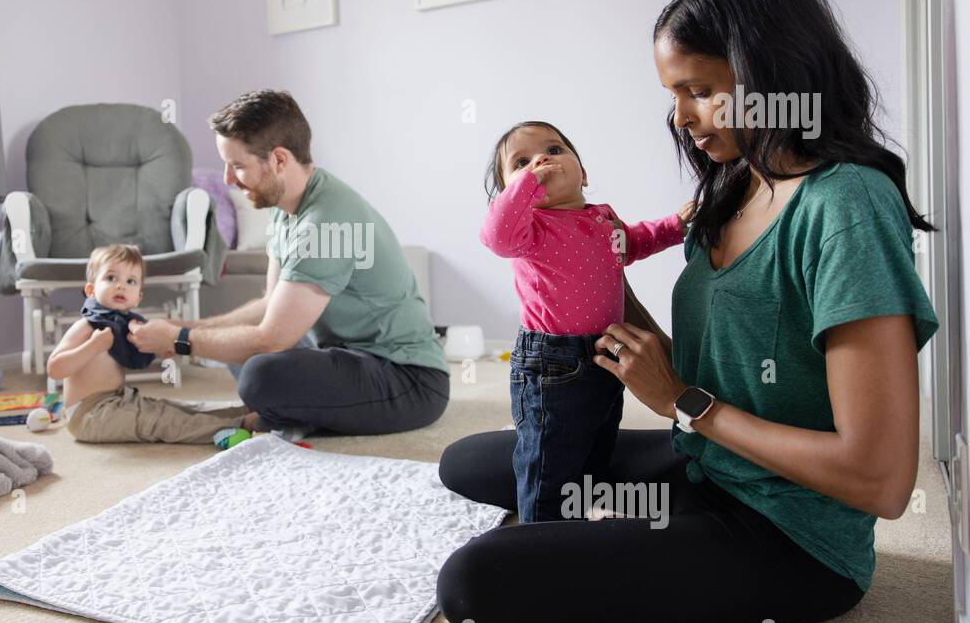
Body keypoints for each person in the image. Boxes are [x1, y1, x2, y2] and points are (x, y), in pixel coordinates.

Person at [436, 0, 939, 623]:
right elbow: (712, 364)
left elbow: (881, 480)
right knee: (471, 459)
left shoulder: (845, 206)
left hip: (789, 534)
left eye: (698, 89)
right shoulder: (731, 187)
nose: (681, 118)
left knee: (474, 583)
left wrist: (682, 399)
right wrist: (578, 275)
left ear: (773, 74)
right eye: (674, 93)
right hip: (711, 460)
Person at [128, 89, 450, 437]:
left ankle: (296, 416)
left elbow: (271, 339)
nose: (227, 180)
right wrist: (191, 326)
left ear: (279, 159)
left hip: (408, 378)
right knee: (242, 353)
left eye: (238, 166)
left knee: (260, 372)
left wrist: (179, 340)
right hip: (346, 356)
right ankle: (303, 415)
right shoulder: (286, 209)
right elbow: (270, 304)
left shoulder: (326, 222)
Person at [480, 118, 694, 523]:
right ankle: (540, 533)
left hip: (604, 353)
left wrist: (675, 226)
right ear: (512, 192)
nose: (541, 160)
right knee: (550, 458)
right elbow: (495, 235)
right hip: (551, 364)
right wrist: (527, 185)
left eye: (554, 150)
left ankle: (583, 521)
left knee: (596, 444)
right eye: (521, 161)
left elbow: (633, 242)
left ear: (584, 171)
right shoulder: (528, 230)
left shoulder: (601, 218)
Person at [48, 244, 249, 444]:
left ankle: (241, 410)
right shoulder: (87, 326)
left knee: (171, 407)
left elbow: (137, 352)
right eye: (111, 278)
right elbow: (55, 369)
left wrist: (161, 351)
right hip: (88, 415)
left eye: (131, 281)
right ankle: (239, 425)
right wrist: (92, 346)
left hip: (118, 400)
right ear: (91, 290)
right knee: (158, 421)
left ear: (138, 298)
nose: (121, 285)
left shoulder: (121, 325)